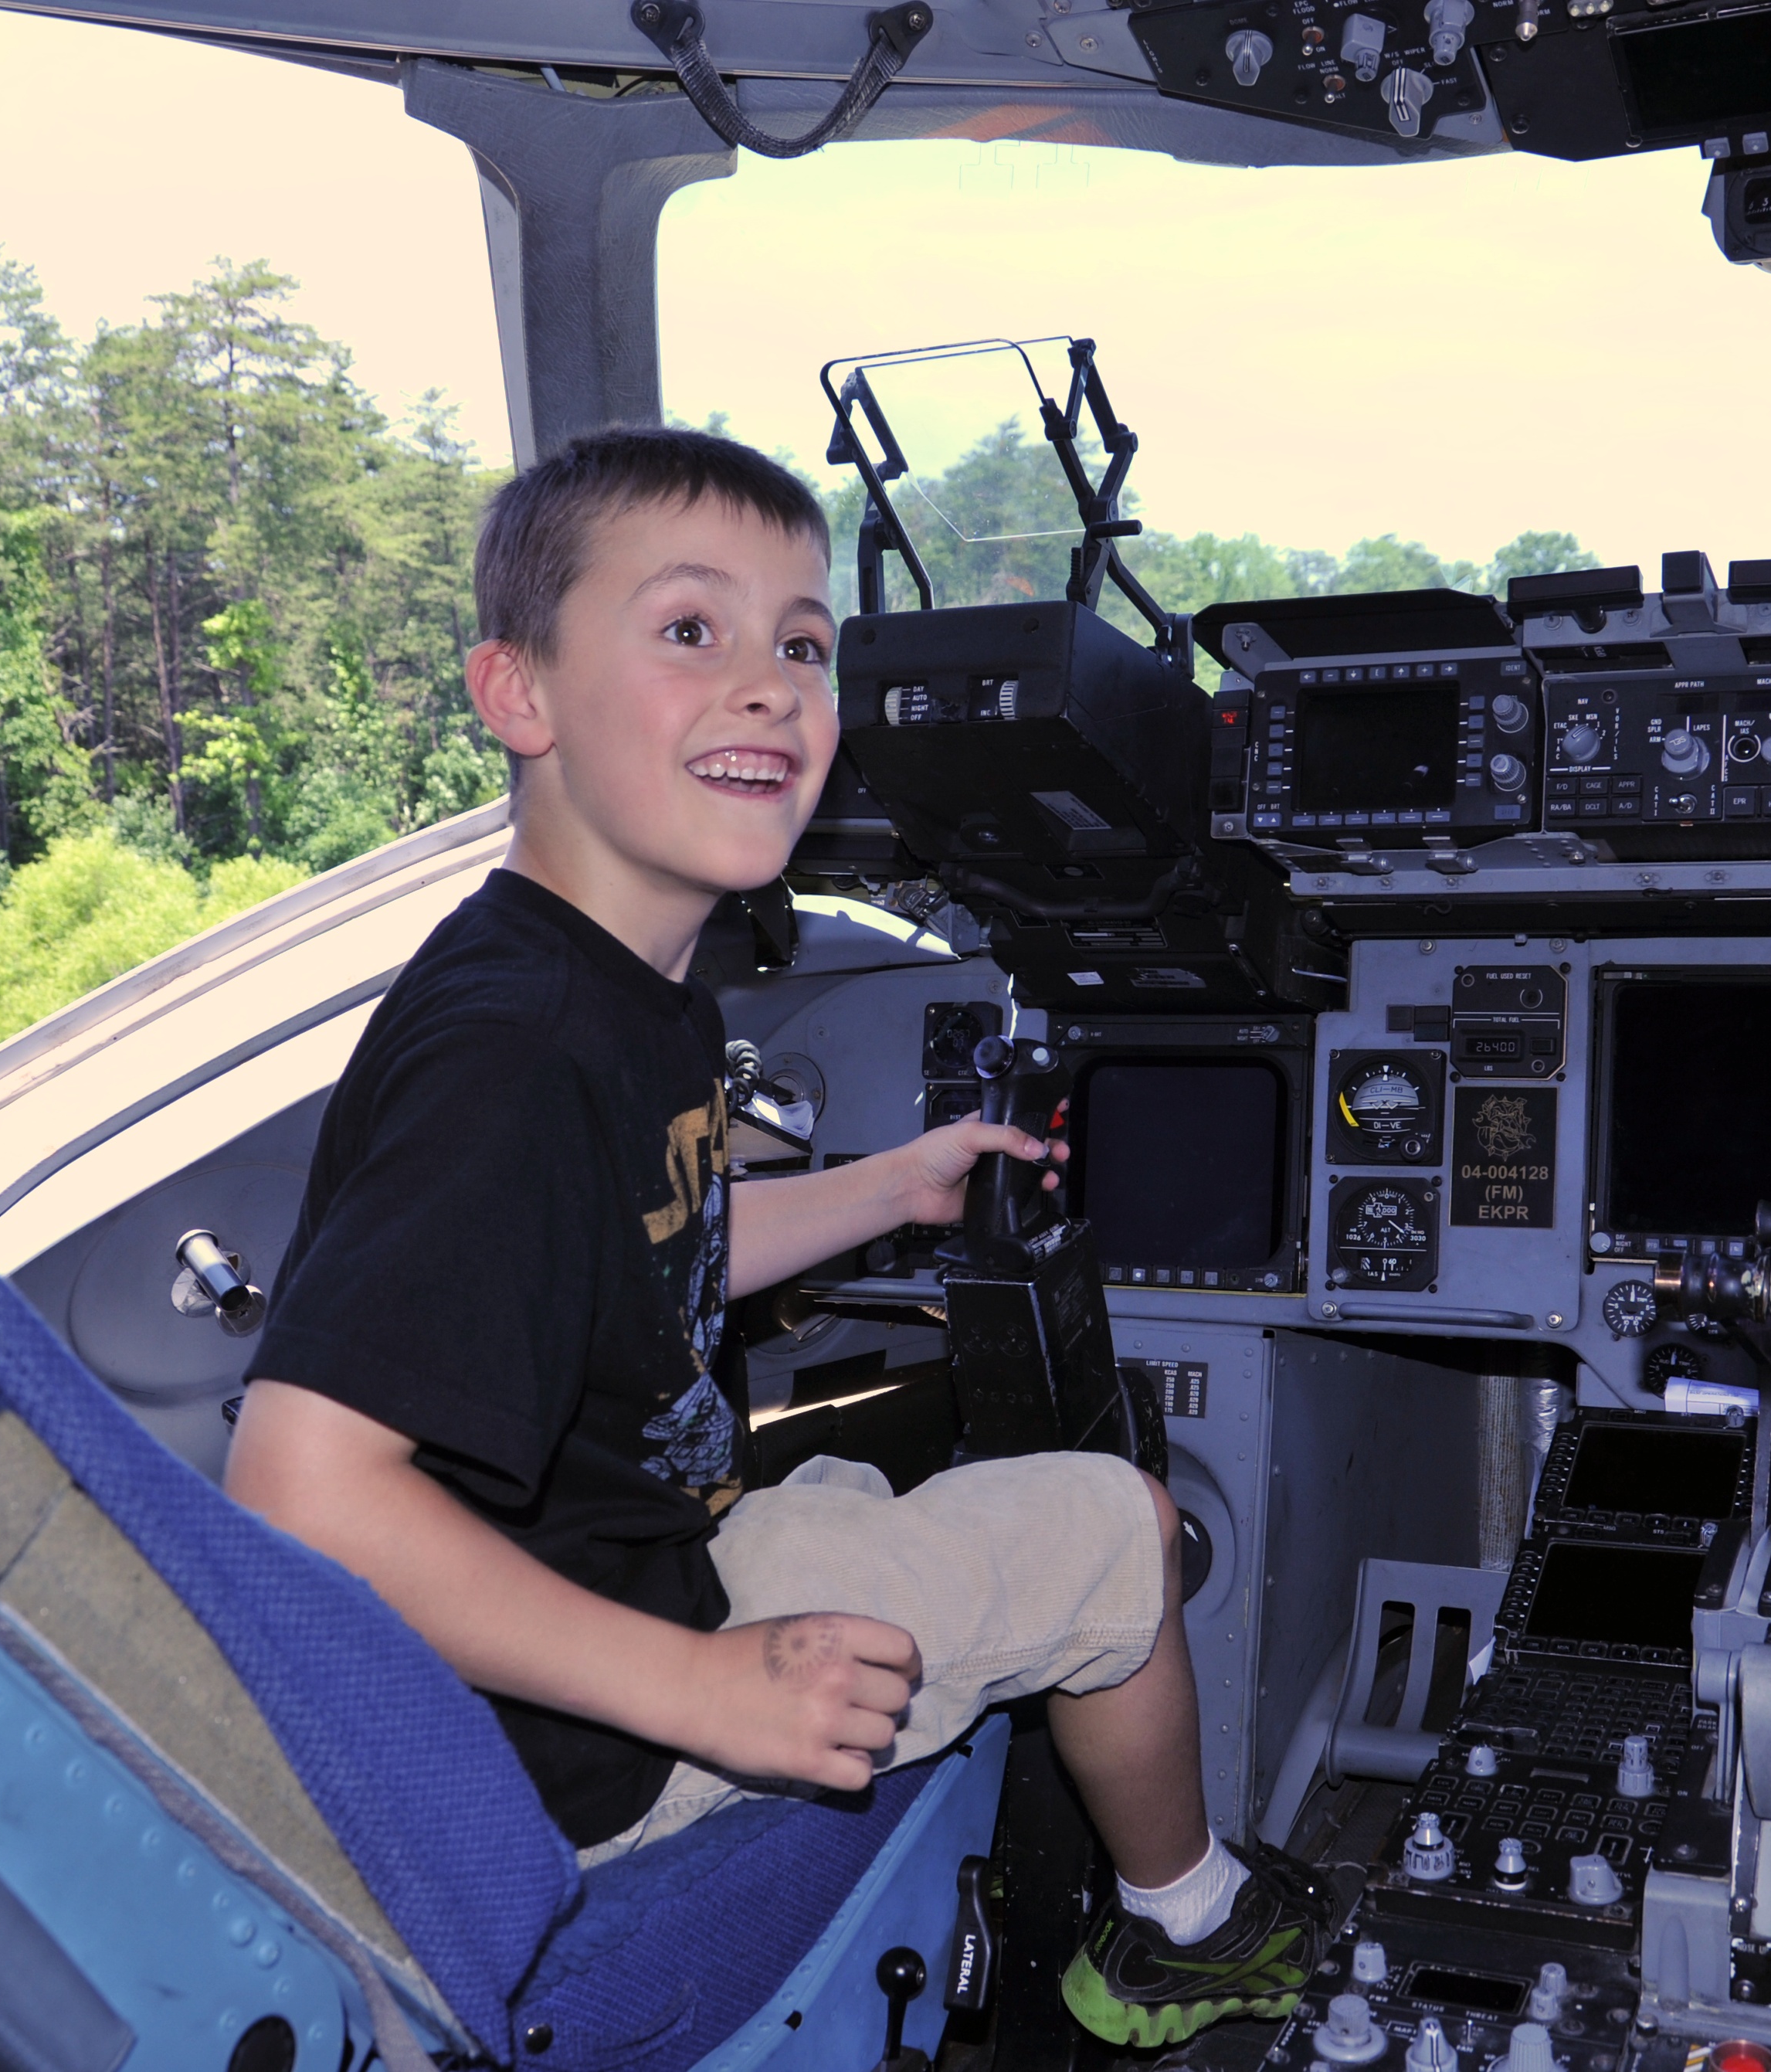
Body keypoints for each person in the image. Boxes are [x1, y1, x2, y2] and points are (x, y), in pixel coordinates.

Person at [224, 424, 1324, 2047]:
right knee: (1120, 1526)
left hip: (628, 1588)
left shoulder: (615, 980)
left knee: (866, 1480)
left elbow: (643, 1247)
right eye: (690, 631)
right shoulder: (521, 1047)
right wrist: (704, 1695)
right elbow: (301, 1492)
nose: (770, 686)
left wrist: (893, 1184)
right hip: (587, 1749)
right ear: (515, 694)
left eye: (802, 644)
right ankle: (1181, 1930)